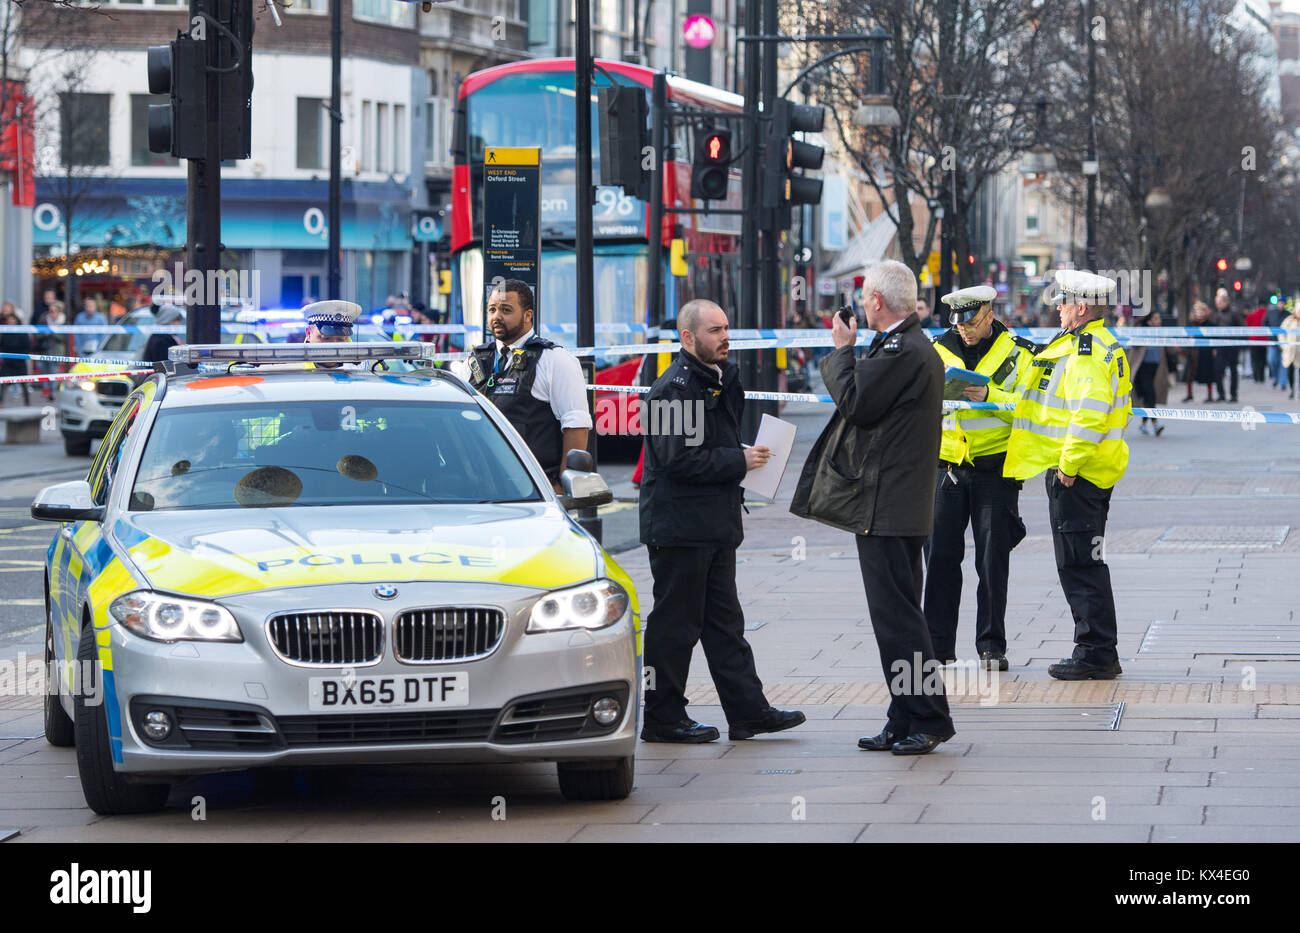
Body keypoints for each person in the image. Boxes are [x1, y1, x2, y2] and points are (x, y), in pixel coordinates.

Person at [791, 259, 955, 756]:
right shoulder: (902, 346)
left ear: (878, 302)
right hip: (896, 505)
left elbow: (856, 403)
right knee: (900, 615)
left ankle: (928, 718)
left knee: (898, 620)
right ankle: (903, 716)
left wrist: (841, 351)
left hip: (888, 507)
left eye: (865, 296)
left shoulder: (904, 348)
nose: (861, 304)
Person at [639, 298, 805, 743]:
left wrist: (742, 455)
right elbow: (678, 461)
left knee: (724, 625)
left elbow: (710, 444)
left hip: (712, 524)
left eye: (727, 327)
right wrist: (740, 460)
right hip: (679, 528)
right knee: (675, 627)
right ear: (689, 338)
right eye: (715, 330)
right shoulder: (672, 390)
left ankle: (748, 712)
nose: (725, 337)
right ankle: (661, 717)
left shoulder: (715, 380)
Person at [1005, 269, 1132, 680]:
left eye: (1063, 302)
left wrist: (1068, 466)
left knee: (1080, 563)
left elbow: (1090, 415)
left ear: (1080, 307)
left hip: (1078, 475)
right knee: (1085, 559)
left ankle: (1095, 652)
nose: (1058, 308)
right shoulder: (1102, 344)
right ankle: (1097, 648)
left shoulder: (1086, 353)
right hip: (1095, 471)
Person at [924, 285, 1036, 672]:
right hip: (947, 467)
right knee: (939, 558)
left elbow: (1030, 409)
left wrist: (990, 392)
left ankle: (991, 646)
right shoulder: (937, 350)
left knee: (992, 562)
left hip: (994, 468)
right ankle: (938, 646)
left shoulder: (1020, 352)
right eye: (959, 324)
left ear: (989, 314)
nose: (965, 331)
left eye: (972, 323)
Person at [455, 280, 591, 488]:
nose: (496, 317)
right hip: (480, 490)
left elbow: (576, 425)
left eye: (506, 310)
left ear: (528, 315)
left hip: (534, 491)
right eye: (492, 310)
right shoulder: (474, 361)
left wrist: (564, 488)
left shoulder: (554, 360)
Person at [1133, 310, 1174, 435]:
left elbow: (1170, 350)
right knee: (1150, 396)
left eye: (1159, 319)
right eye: (1156, 319)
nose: (1159, 321)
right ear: (1150, 321)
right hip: (1143, 369)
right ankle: (1156, 425)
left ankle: (1143, 424)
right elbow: (1134, 345)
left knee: (1148, 398)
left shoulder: (1161, 333)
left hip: (1156, 369)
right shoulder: (1142, 332)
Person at [0, 304, 32, 405]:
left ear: (17, 320)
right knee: (3, 383)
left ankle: (27, 404)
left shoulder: (22, 332)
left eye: (12, 320)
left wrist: (21, 356)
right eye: (9, 320)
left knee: (24, 384)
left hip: (20, 362)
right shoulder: (4, 331)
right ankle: (0, 403)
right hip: (8, 362)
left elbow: (28, 347)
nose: (10, 322)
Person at [1214, 288, 1241, 402]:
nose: (1219, 305)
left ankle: (1233, 394)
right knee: (1218, 370)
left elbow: (1241, 329)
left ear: (1226, 302)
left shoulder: (1233, 314)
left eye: (1220, 303)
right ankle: (1221, 394)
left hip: (1232, 347)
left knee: (1233, 371)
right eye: (1217, 303)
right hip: (1221, 347)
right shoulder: (1217, 315)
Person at [1265, 299, 1291, 392]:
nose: (1281, 305)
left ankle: (1283, 383)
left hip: (1285, 343)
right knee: (1272, 361)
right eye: (1280, 303)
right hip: (1273, 342)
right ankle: (1275, 378)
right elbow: (1264, 324)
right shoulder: (1271, 313)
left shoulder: (1288, 315)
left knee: (1283, 363)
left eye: (1283, 303)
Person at [1281, 303, 1300, 400]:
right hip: (1290, 350)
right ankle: (1292, 390)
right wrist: (1284, 346)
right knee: (1290, 371)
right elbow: (1281, 333)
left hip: (1299, 352)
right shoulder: (1289, 321)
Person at [1246, 304, 1268, 383]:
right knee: (1262, 360)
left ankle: (1255, 376)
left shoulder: (1253, 314)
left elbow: (1247, 323)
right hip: (1264, 341)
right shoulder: (1267, 314)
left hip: (1253, 340)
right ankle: (1261, 377)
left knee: (1254, 360)